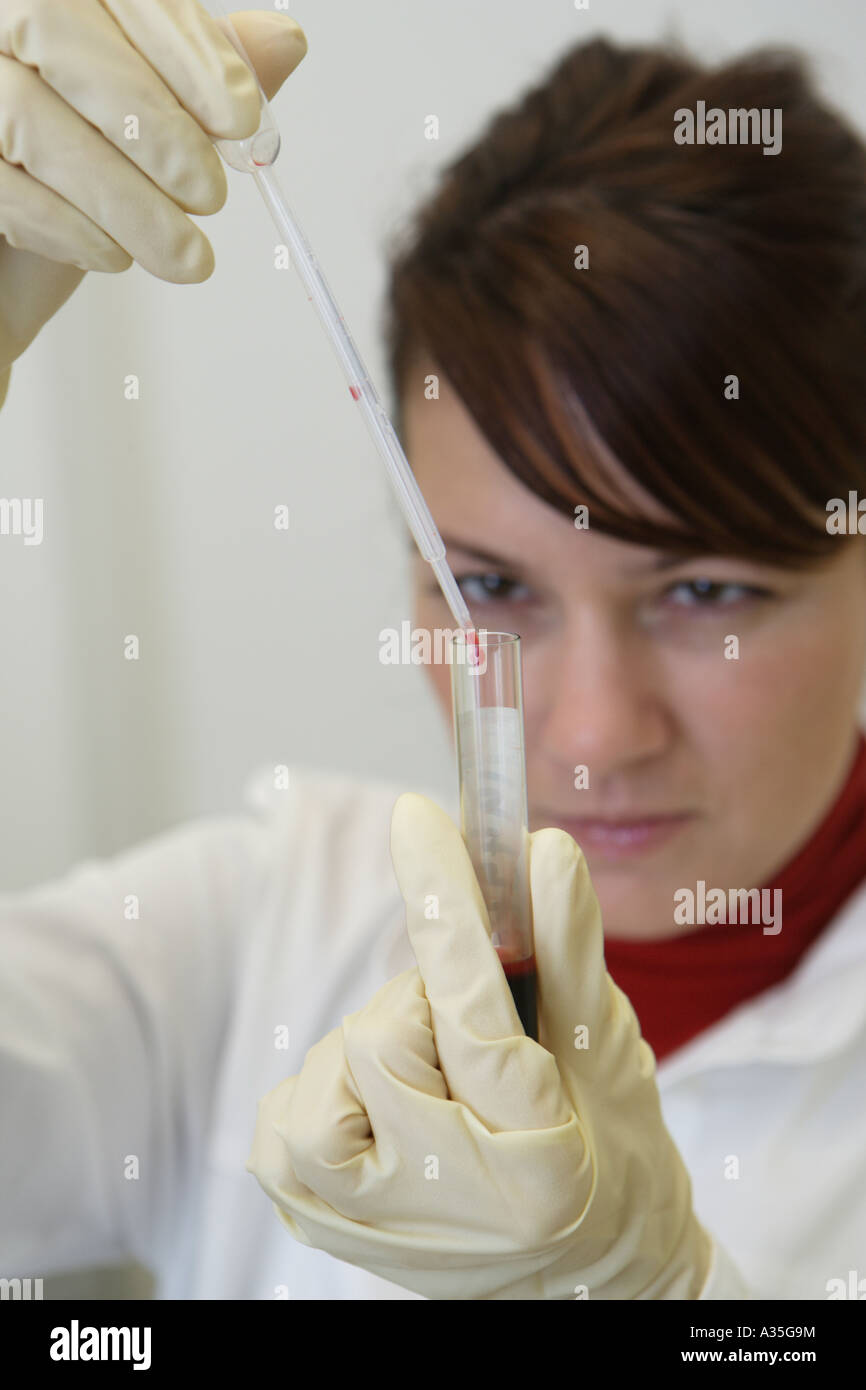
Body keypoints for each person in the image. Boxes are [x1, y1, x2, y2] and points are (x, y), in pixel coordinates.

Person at [1, 1, 865, 1301]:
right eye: (488, 586)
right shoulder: (262, 933)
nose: (585, 731)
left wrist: (657, 1290)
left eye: (703, 589)